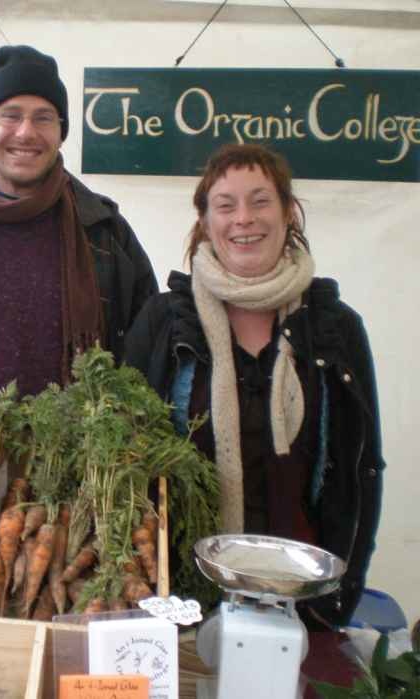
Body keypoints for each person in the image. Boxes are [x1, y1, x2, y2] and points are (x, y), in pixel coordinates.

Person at [125, 143, 384, 626]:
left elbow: (363, 468)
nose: (244, 218)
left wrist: (340, 595)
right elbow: (128, 461)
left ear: (289, 213)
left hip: (302, 602)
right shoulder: (165, 322)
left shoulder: (335, 328)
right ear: (205, 220)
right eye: (226, 205)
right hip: (184, 600)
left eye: (261, 200)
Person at [0, 45, 156, 406]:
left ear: (60, 132)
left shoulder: (105, 232)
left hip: (79, 456)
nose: (26, 133)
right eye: (10, 115)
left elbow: (143, 350)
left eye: (43, 118)